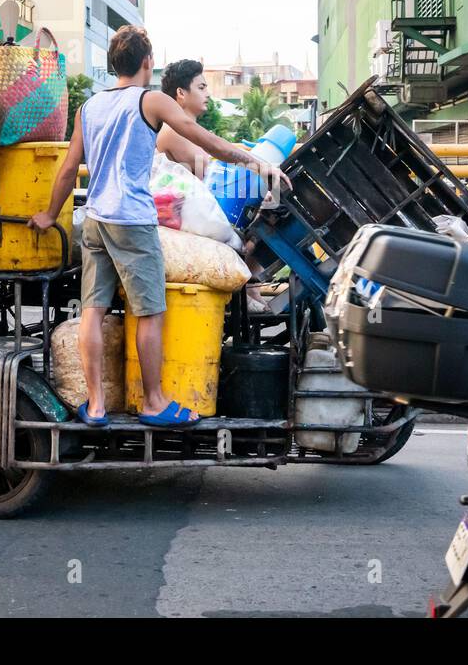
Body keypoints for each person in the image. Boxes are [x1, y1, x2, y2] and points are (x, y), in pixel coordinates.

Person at [28, 26, 289, 429]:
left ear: (114, 63)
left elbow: (67, 171)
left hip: (96, 220)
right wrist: (260, 164)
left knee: (93, 313)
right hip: (132, 221)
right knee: (150, 311)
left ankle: (95, 406)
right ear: (147, 63)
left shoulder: (90, 107)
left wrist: (48, 215)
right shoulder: (151, 101)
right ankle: (153, 402)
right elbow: (208, 142)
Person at [156, 59, 214, 177]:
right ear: (181, 93)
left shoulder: (185, 130)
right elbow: (210, 168)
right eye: (201, 88)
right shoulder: (172, 130)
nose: (208, 94)